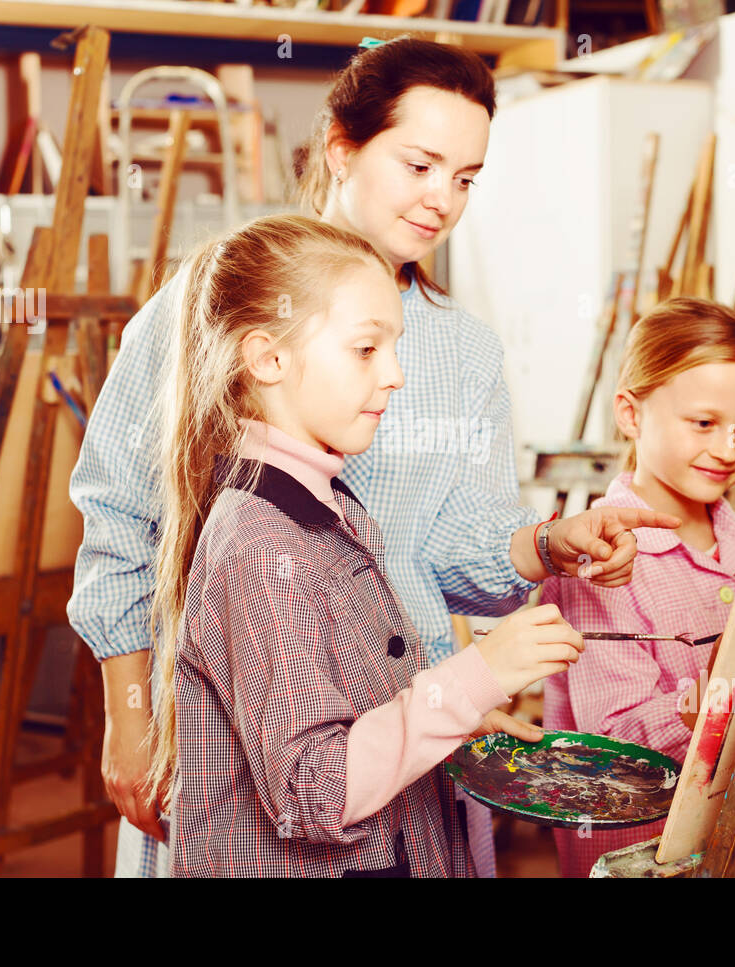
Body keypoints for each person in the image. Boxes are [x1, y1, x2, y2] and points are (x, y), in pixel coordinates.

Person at [68, 38, 680, 877]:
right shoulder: (213, 303)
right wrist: (130, 712)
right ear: (340, 146)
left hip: (411, 734)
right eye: (420, 163)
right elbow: (120, 515)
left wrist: (547, 544)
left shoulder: (461, 349)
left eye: (466, 177)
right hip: (260, 740)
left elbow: (451, 546)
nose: (442, 200)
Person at [153, 214, 592, 875]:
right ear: (268, 357)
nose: (394, 376)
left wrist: (457, 713)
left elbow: (355, 706)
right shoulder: (260, 546)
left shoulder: (331, 504)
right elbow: (314, 789)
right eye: (366, 349)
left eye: (395, 349)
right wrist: (477, 676)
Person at [541, 298, 735, 877]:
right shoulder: (598, 559)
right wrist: (720, 695)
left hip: (730, 836)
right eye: (703, 423)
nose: (729, 450)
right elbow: (610, 738)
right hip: (633, 851)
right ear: (630, 413)